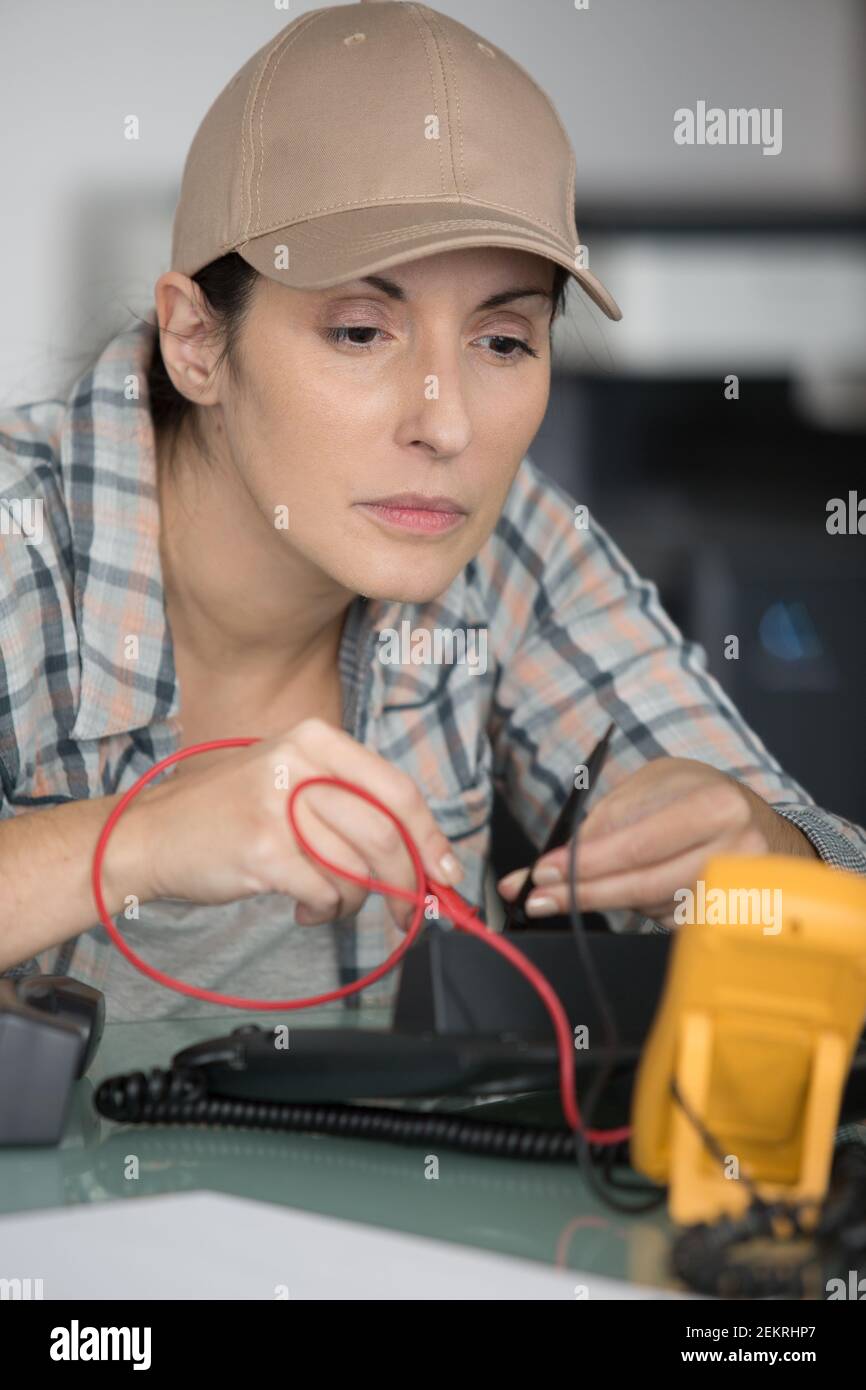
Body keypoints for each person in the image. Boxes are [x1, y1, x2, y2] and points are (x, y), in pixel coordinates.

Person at [1, 0, 864, 1022]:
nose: (445, 423)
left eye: (502, 341)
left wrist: (765, 851)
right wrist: (134, 843)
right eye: (362, 331)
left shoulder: (511, 546)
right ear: (196, 340)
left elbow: (828, 891)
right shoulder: (22, 535)